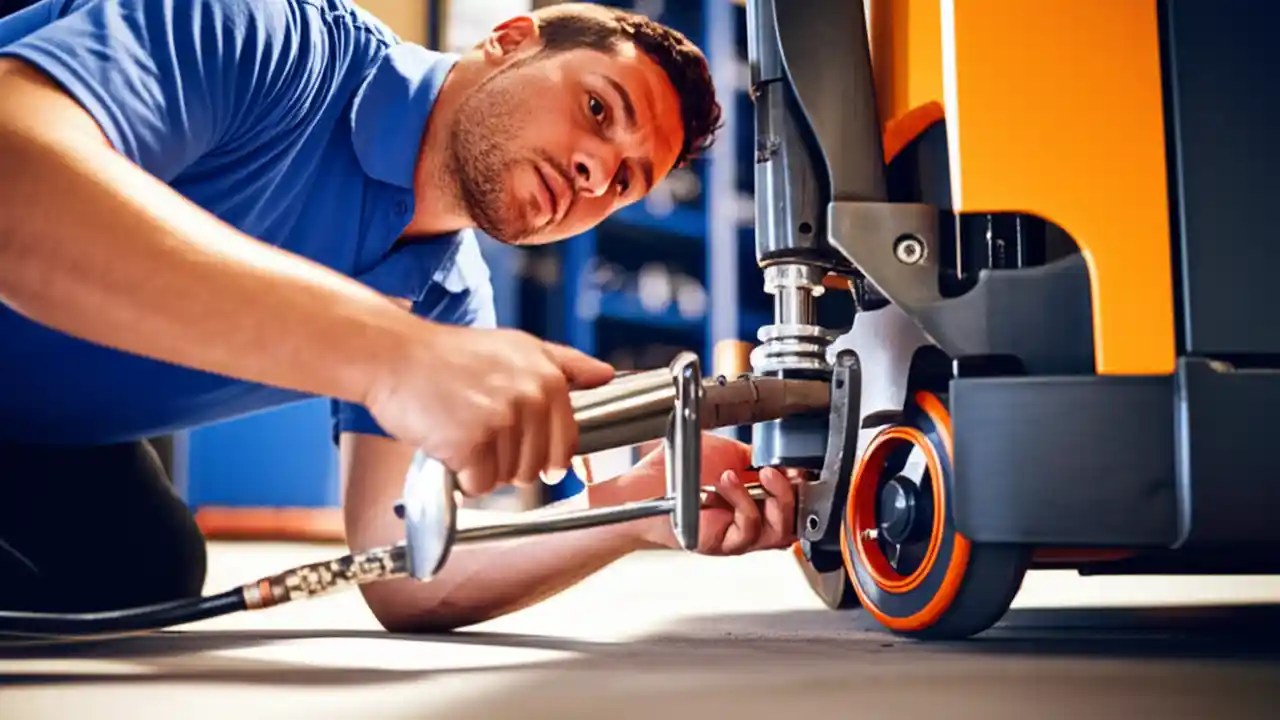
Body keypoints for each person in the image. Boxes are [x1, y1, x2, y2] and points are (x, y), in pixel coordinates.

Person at [0, 0, 797, 631]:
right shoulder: (267, 34)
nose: (596, 172)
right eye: (595, 107)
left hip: (28, 435)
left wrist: (632, 509)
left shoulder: (449, 295)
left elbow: (402, 569)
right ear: (510, 40)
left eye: (625, 181)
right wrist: (393, 356)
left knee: (142, 567)